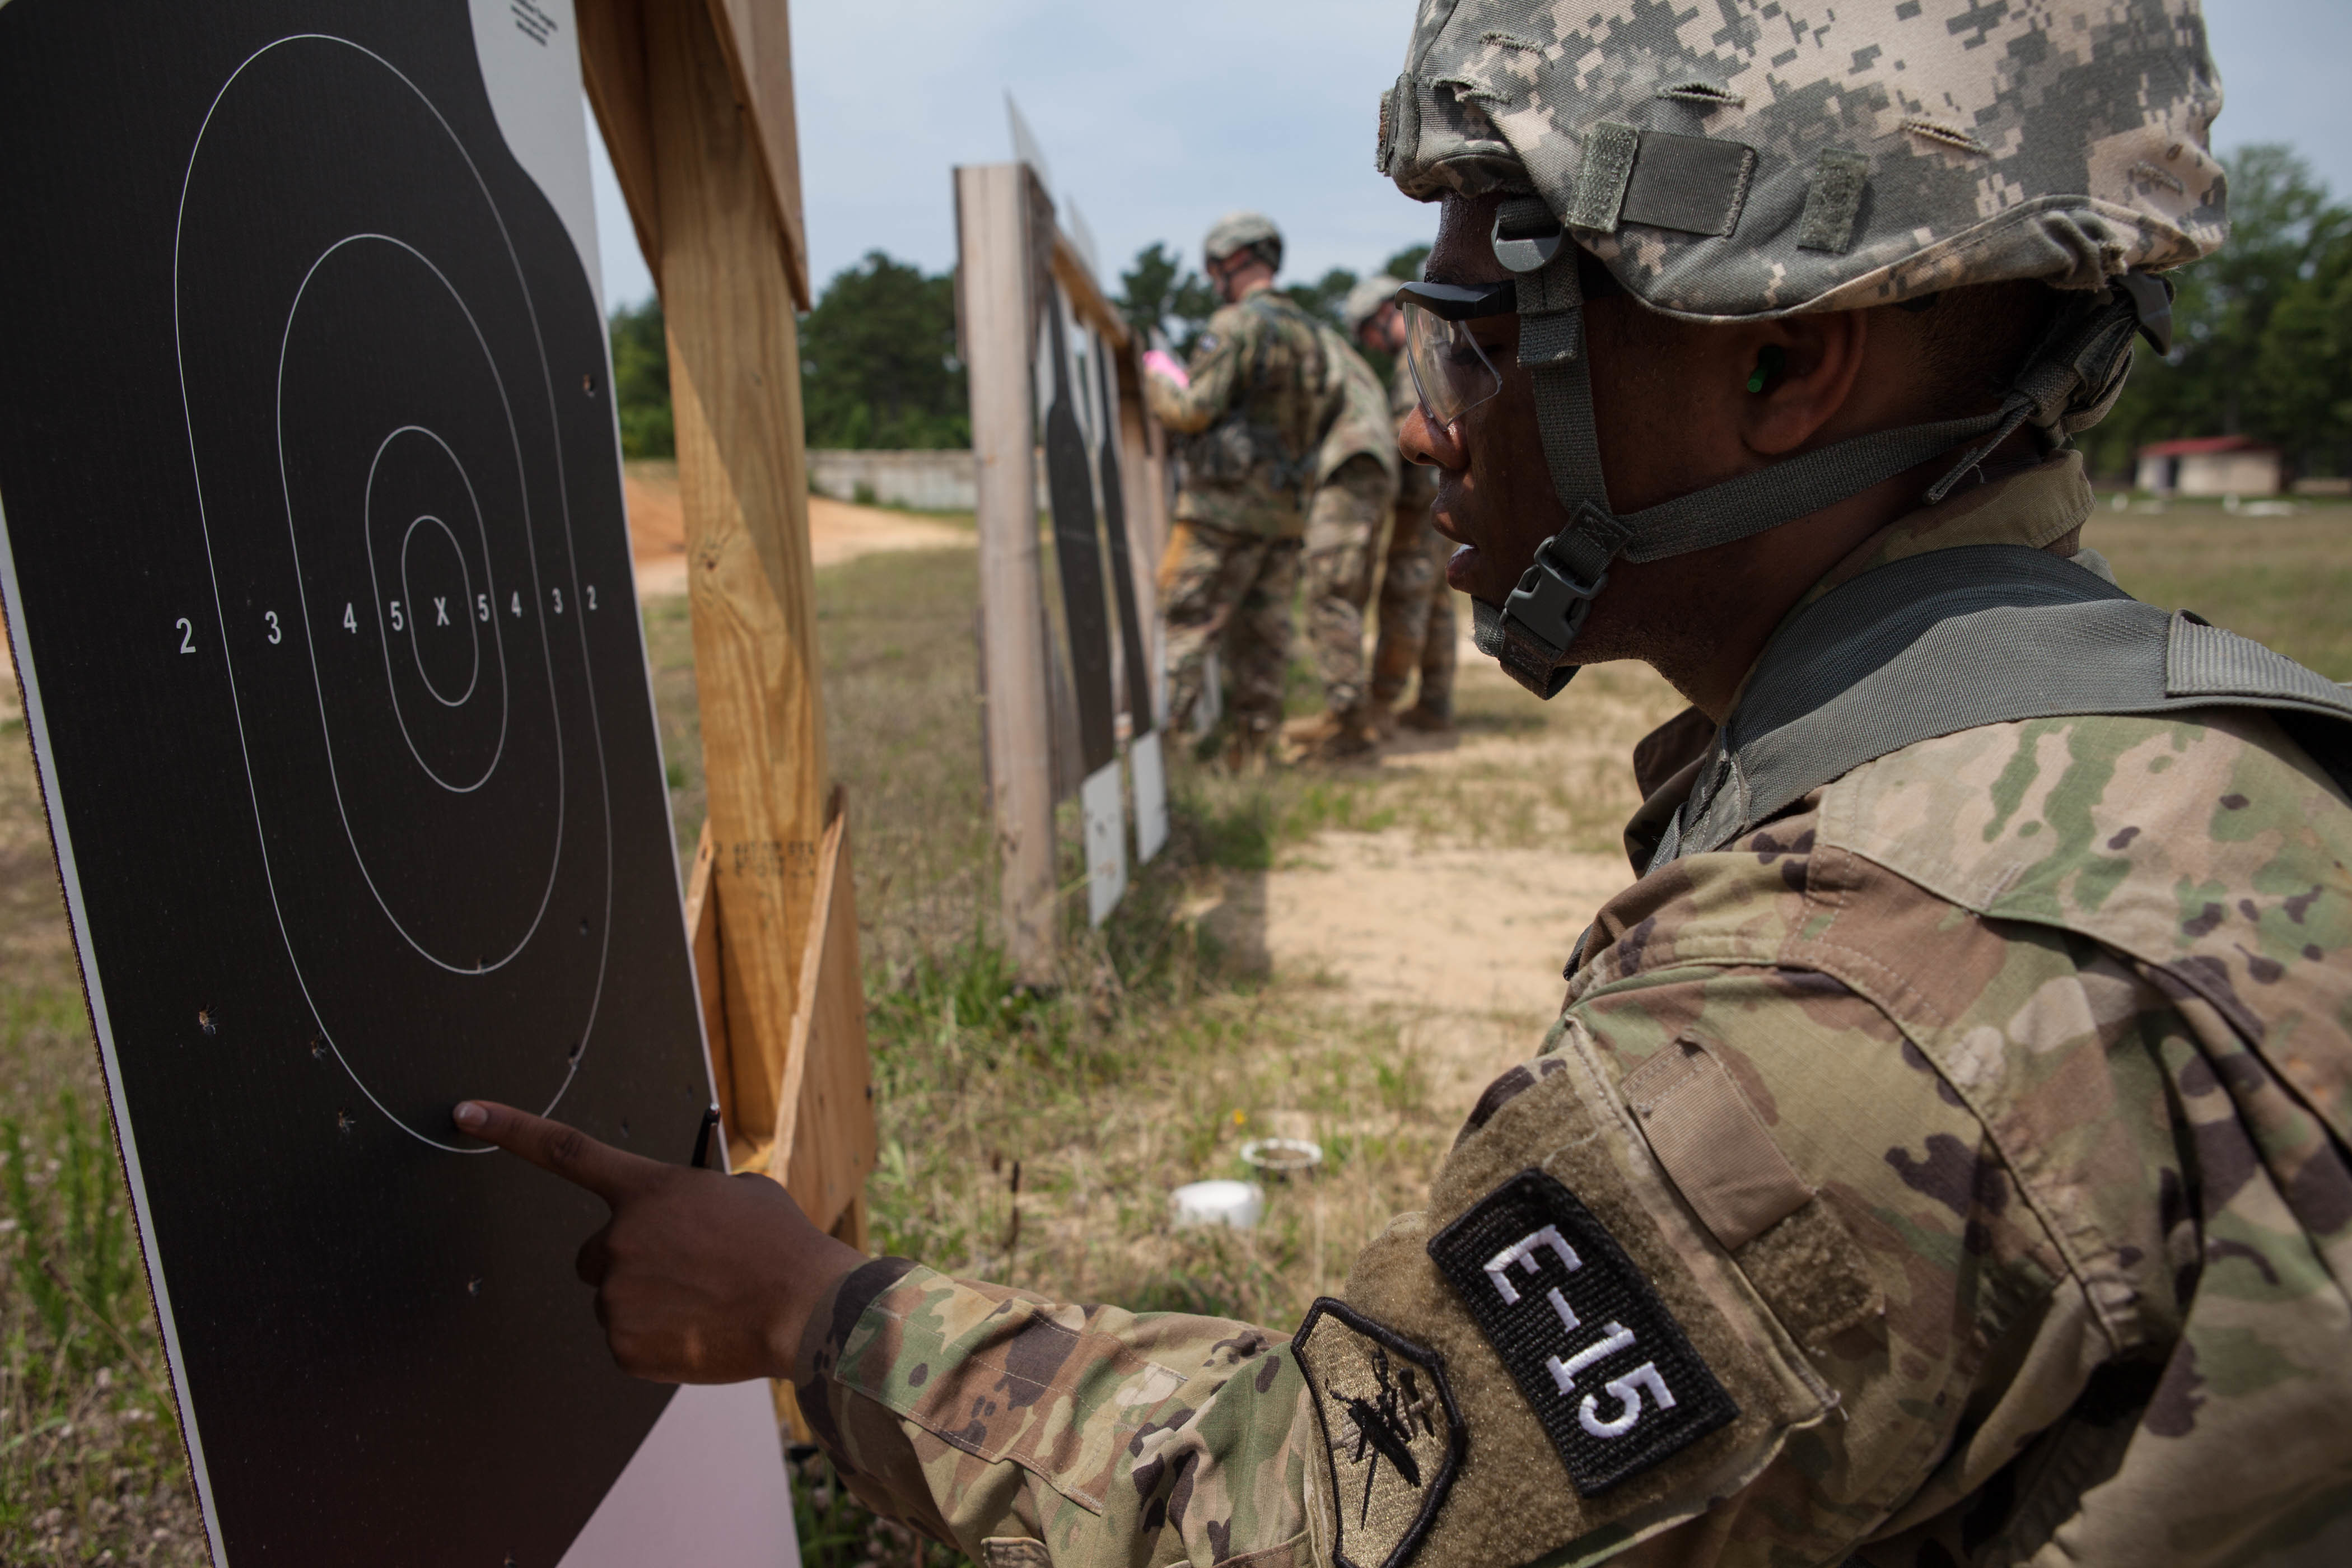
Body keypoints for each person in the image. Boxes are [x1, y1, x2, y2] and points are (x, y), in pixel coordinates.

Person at [458, 3, 2352, 1564]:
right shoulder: (2187, 763)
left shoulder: (1864, 1009)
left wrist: (814, 1315)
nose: (1435, 406)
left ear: (1784, 368)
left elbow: (1314, 1520)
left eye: (1484, 324)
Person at [1138, 211, 1329, 769]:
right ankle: (1252, 756)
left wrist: (1156, 374)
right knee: (1264, 641)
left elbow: (1192, 409)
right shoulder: (1312, 335)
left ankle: (1160, 763)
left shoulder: (1236, 326)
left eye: (1213, 268)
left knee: (1185, 624)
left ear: (1233, 261)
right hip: (1285, 516)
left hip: (1221, 514)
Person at [1345, 273, 1457, 734]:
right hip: (1439, 500)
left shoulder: (1414, 356)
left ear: (1385, 313)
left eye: (1368, 333)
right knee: (1433, 605)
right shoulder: (1434, 348)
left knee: (1403, 601)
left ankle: (1381, 706)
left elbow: (1406, 432)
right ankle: (1434, 705)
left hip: (1422, 502)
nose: (1370, 344)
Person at [1286, 312, 1400, 761]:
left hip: (1351, 466)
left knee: (1328, 595)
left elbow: (1300, 408)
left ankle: (1350, 723)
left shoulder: (1302, 341)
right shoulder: (1332, 346)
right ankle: (1345, 714)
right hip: (1366, 466)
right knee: (1345, 593)